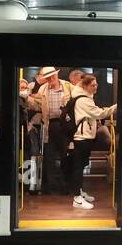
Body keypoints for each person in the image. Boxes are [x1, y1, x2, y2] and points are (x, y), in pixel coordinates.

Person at [69, 74, 116, 209]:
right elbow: (99, 114)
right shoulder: (83, 100)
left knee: (81, 166)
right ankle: (77, 198)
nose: (95, 87)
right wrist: (115, 107)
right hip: (82, 137)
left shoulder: (84, 97)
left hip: (85, 136)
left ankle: (80, 192)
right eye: (92, 85)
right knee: (78, 167)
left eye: (96, 84)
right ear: (84, 86)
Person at [28, 66, 75, 194]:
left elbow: (76, 102)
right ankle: (52, 186)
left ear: (56, 75)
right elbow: (37, 104)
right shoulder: (43, 88)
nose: (50, 79)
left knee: (65, 155)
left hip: (65, 125)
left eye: (51, 76)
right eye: (47, 77)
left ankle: (65, 186)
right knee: (49, 156)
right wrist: (27, 98)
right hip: (49, 125)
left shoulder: (68, 86)